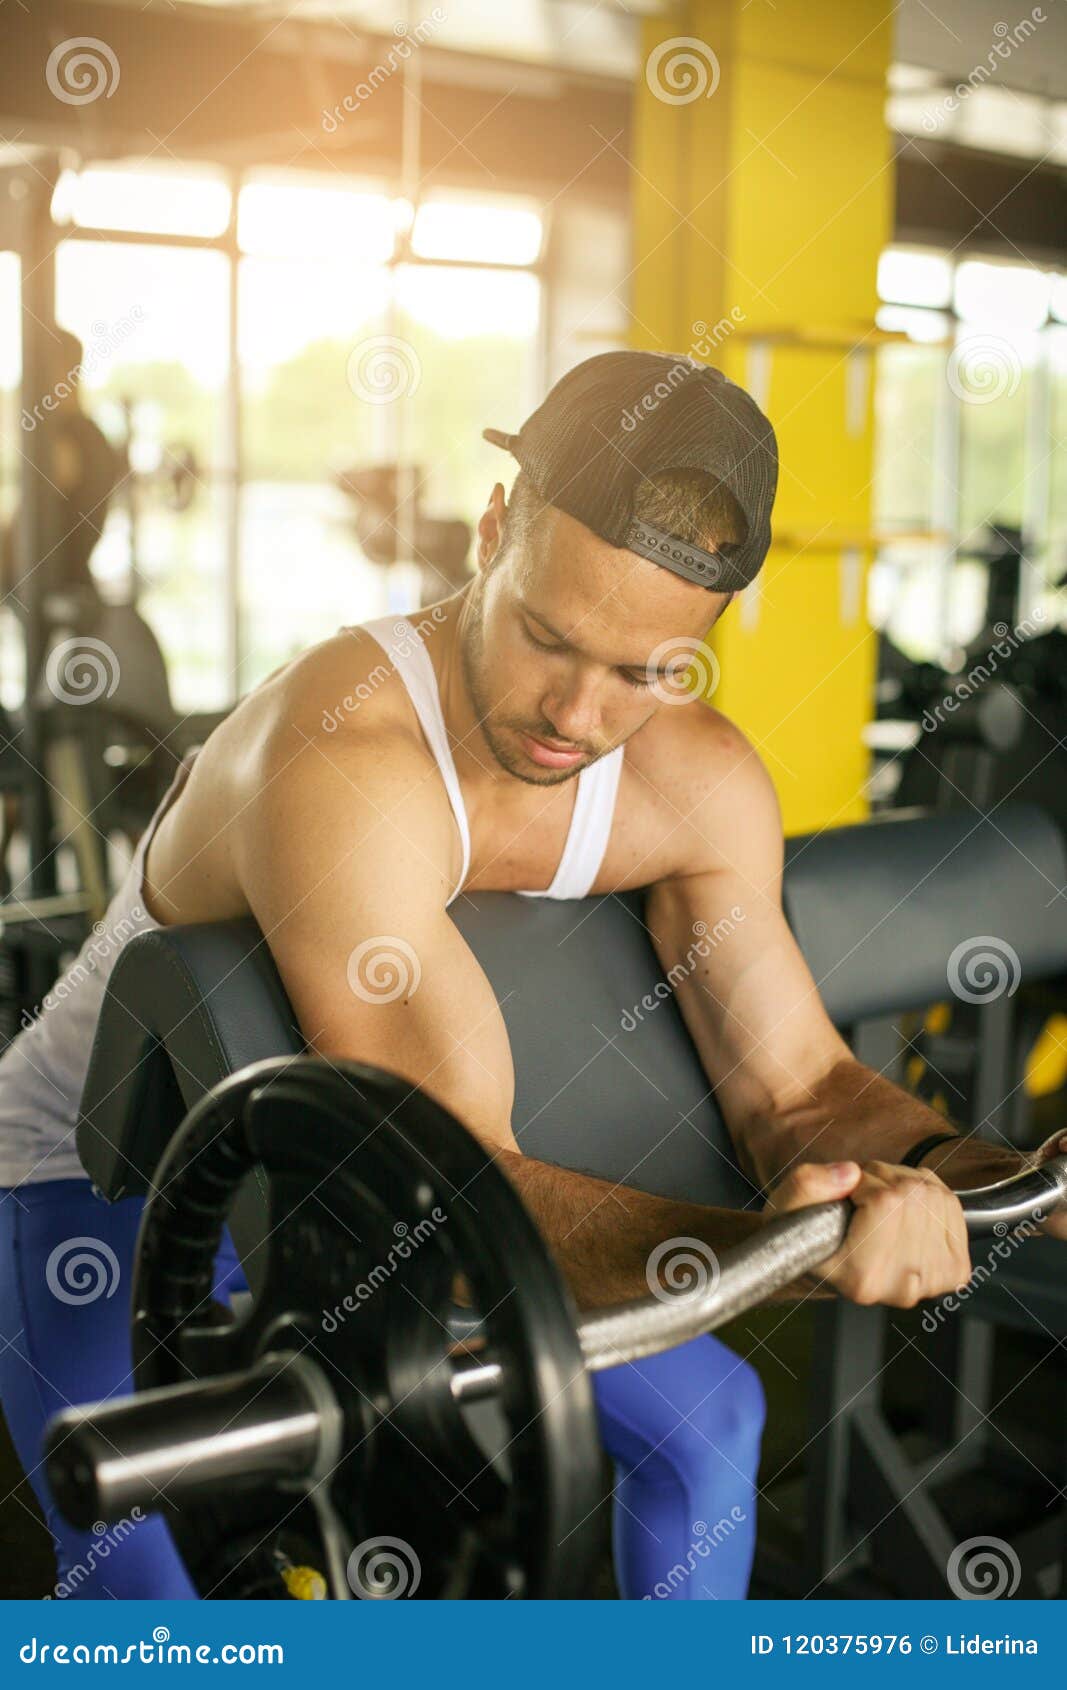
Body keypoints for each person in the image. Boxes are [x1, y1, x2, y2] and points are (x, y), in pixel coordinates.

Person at [0, 351, 1064, 1602]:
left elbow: (801, 1092)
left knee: (709, 1422)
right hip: (94, 1191)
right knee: (149, 1594)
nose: (575, 711)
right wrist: (782, 1244)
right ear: (496, 527)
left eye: (642, 672)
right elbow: (449, 1181)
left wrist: (995, 1178)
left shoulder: (696, 784)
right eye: (547, 637)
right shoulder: (342, 755)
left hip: (370, 1193)